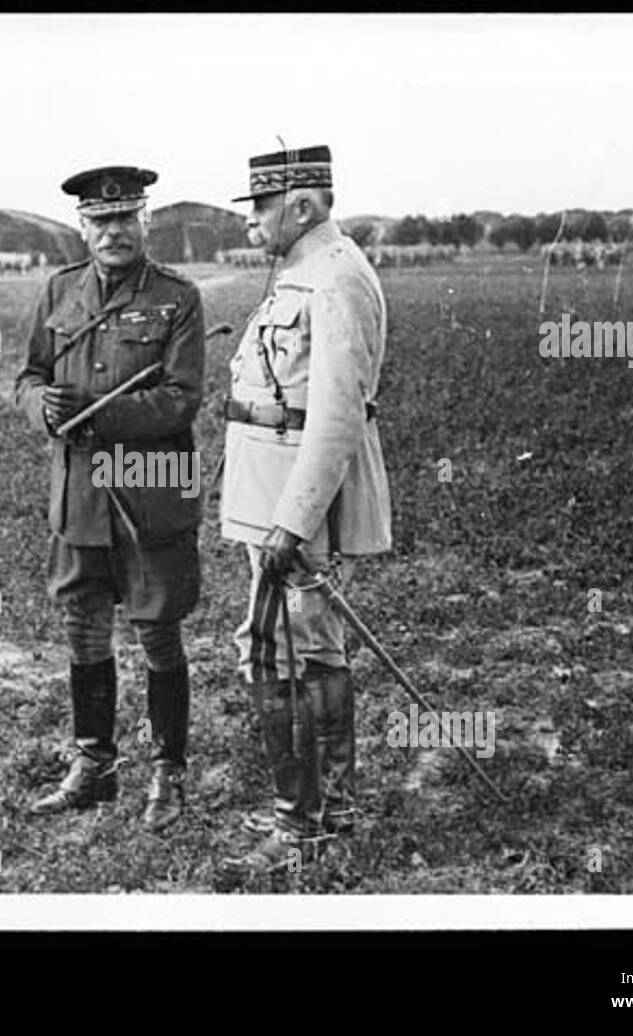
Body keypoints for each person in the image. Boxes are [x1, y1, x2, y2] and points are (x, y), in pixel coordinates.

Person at [14, 165, 207, 832]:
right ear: (82, 228)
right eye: (100, 221)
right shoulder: (59, 291)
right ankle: (94, 765)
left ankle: (168, 772)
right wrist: (42, 405)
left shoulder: (178, 299)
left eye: (125, 218)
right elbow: (29, 374)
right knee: (83, 627)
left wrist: (95, 417)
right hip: (79, 502)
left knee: (157, 633)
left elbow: (182, 398)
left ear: (144, 221)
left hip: (148, 499)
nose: (113, 231)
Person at [219, 145, 392, 874]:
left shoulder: (335, 277)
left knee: (294, 653)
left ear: (302, 205)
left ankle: (307, 826)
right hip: (272, 491)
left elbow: (334, 417)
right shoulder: (303, 269)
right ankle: (325, 811)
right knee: (294, 650)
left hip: (295, 503)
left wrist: (292, 520)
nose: (252, 220)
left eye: (261, 206)